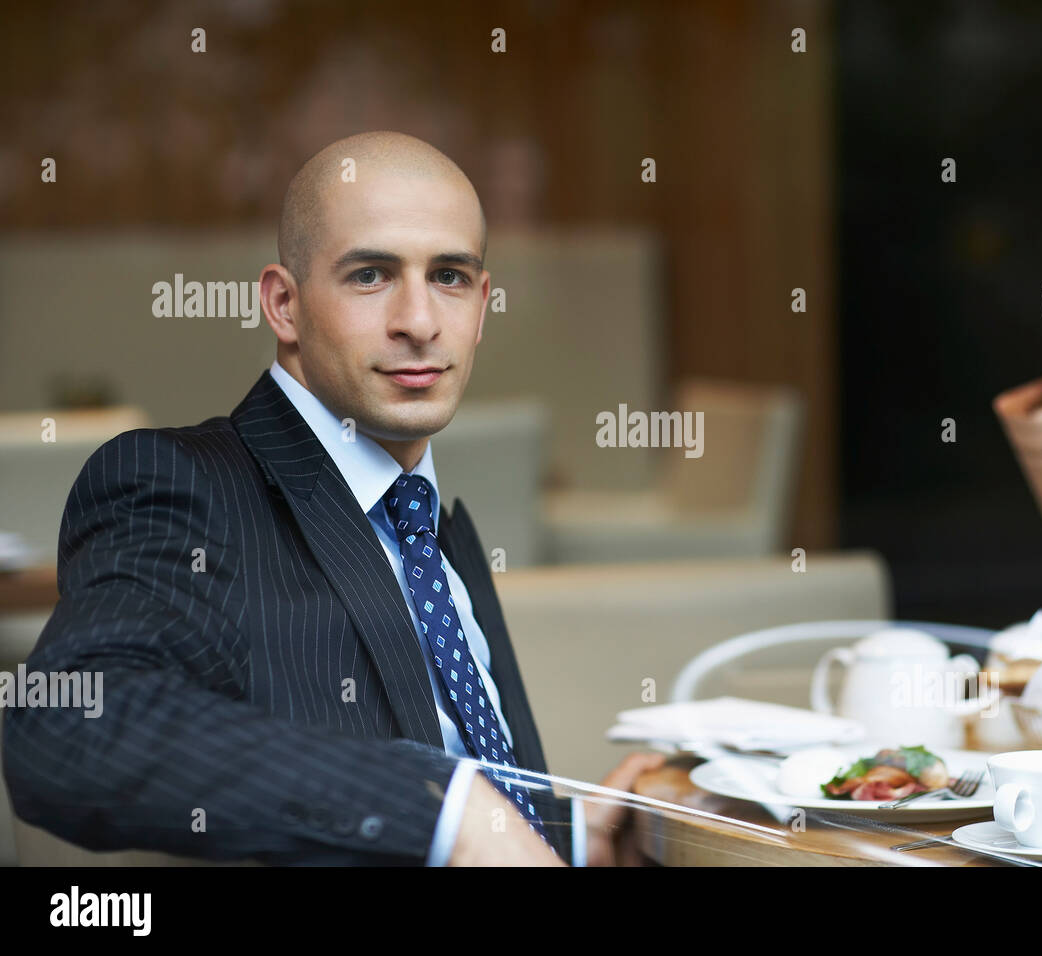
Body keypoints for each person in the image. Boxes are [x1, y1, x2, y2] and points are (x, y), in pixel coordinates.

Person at [2, 130, 664, 866]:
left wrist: (569, 839)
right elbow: (67, 723)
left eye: (448, 276)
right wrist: (445, 812)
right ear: (283, 305)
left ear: (481, 306)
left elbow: (446, 769)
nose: (418, 321)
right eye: (371, 275)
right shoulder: (185, 485)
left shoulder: (424, 523)